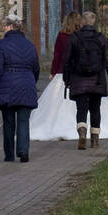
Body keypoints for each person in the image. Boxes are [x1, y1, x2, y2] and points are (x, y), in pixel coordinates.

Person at [0, 18, 39, 163]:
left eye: (5, 26)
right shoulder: (30, 45)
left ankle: (9, 154)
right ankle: (23, 151)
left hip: (7, 87)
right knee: (23, 120)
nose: (4, 28)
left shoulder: (3, 45)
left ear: (10, 27)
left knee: (8, 121)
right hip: (26, 85)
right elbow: (36, 68)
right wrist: (31, 81)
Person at [65, 10, 108, 149]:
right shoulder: (101, 38)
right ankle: (94, 139)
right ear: (93, 22)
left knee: (81, 109)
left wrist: (67, 79)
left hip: (79, 80)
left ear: (82, 22)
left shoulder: (74, 38)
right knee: (95, 109)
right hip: (97, 81)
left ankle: (82, 131)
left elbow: (67, 60)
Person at [29, 11, 84, 140]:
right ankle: (81, 126)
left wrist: (53, 72)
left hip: (62, 72)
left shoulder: (61, 36)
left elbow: (57, 55)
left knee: (56, 101)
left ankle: (57, 125)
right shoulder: (82, 36)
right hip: (79, 73)